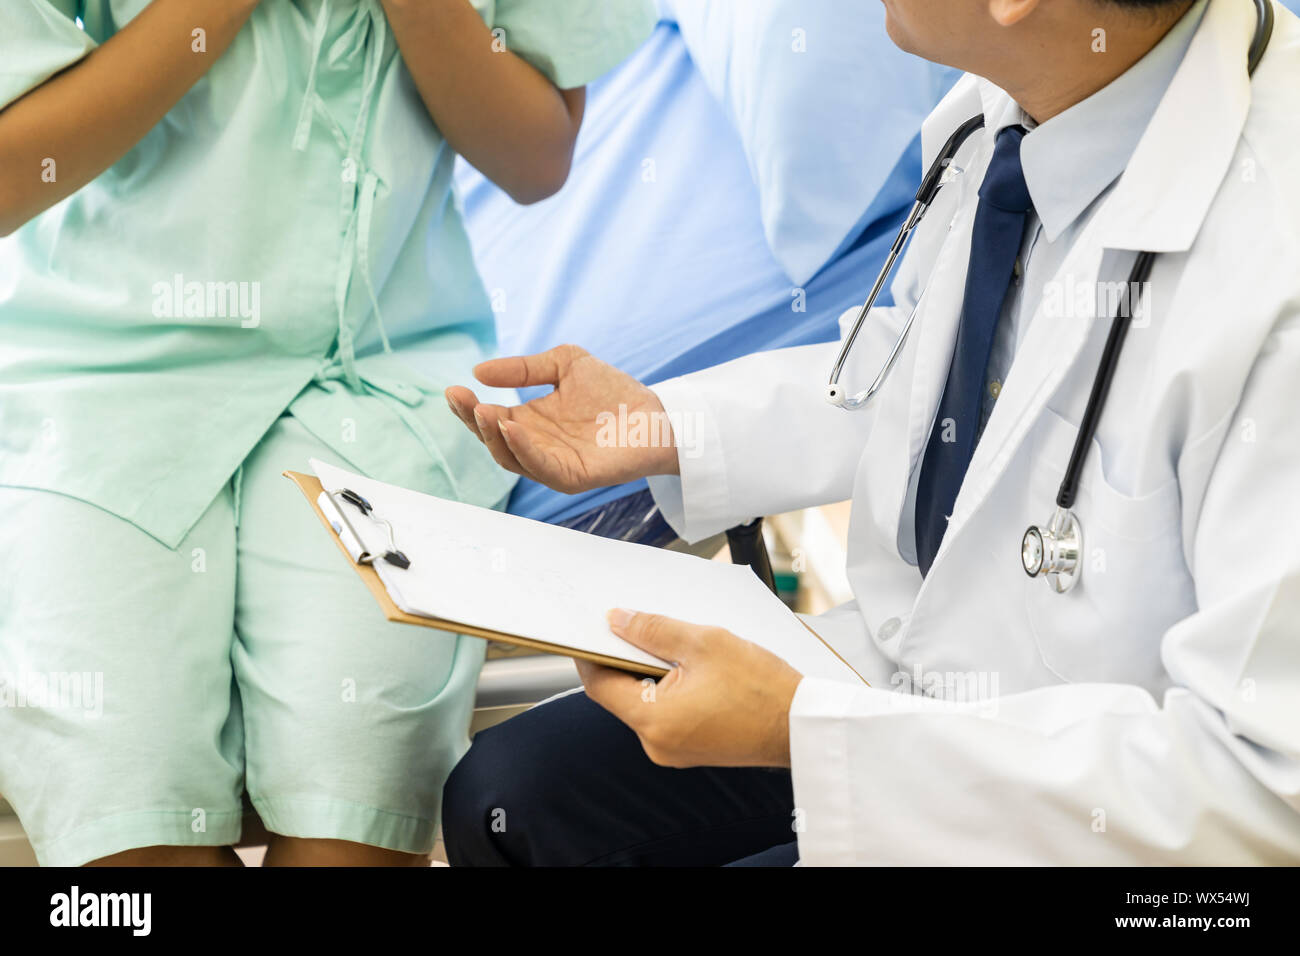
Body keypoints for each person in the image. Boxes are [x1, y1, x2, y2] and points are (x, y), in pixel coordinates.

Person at [441, 0, 1300, 865]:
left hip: (1101, 808)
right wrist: (660, 423)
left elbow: (1259, 794)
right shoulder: (1015, 103)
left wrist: (804, 730)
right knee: (508, 801)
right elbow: (916, 360)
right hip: (914, 678)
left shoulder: (1271, 285)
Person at [0, 0, 653, 867]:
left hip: (377, 390)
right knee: (128, 799)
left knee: (355, 792)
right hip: (94, 389)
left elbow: (537, 158)